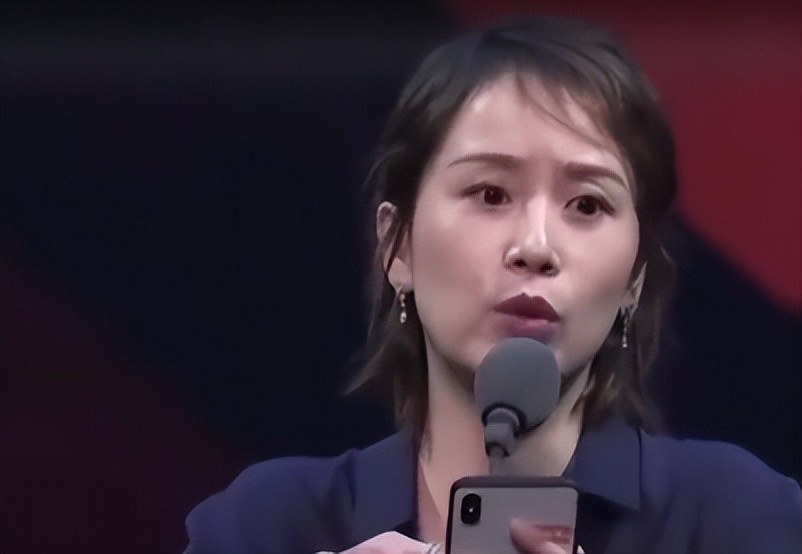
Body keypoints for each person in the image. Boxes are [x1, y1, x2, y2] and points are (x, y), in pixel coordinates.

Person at [184, 16, 801, 554]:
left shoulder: (735, 518)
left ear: (635, 277)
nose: (535, 246)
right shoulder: (265, 525)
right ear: (397, 246)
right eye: (490, 194)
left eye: (587, 204)